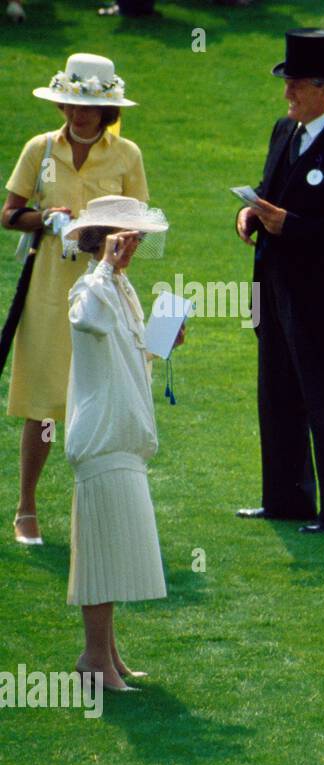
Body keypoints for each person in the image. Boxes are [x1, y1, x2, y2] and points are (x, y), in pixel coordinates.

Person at [234, 29, 324, 533]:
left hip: (323, 298)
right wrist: (249, 216)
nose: (287, 94)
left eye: (296, 85)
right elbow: (268, 190)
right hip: (274, 286)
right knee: (276, 393)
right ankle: (285, 498)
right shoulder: (285, 132)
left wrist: (288, 225)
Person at [3, 53, 148, 548]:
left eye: (87, 107)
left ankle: (98, 513)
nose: (77, 114)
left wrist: (105, 243)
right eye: (70, 104)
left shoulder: (126, 154)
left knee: (101, 401)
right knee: (43, 404)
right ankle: (26, 506)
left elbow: (140, 225)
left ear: (106, 110)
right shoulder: (39, 149)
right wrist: (46, 219)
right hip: (48, 292)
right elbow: (9, 214)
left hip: (103, 289)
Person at [61, 196, 181, 692]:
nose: (132, 247)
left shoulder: (122, 286)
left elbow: (133, 353)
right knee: (101, 553)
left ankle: (108, 654)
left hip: (124, 437)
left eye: (135, 240)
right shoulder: (89, 287)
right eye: (124, 238)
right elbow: (87, 317)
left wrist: (164, 337)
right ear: (103, 240)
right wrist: (104, 267)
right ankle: (94, 660)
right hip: (101, 436)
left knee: (112, 550)